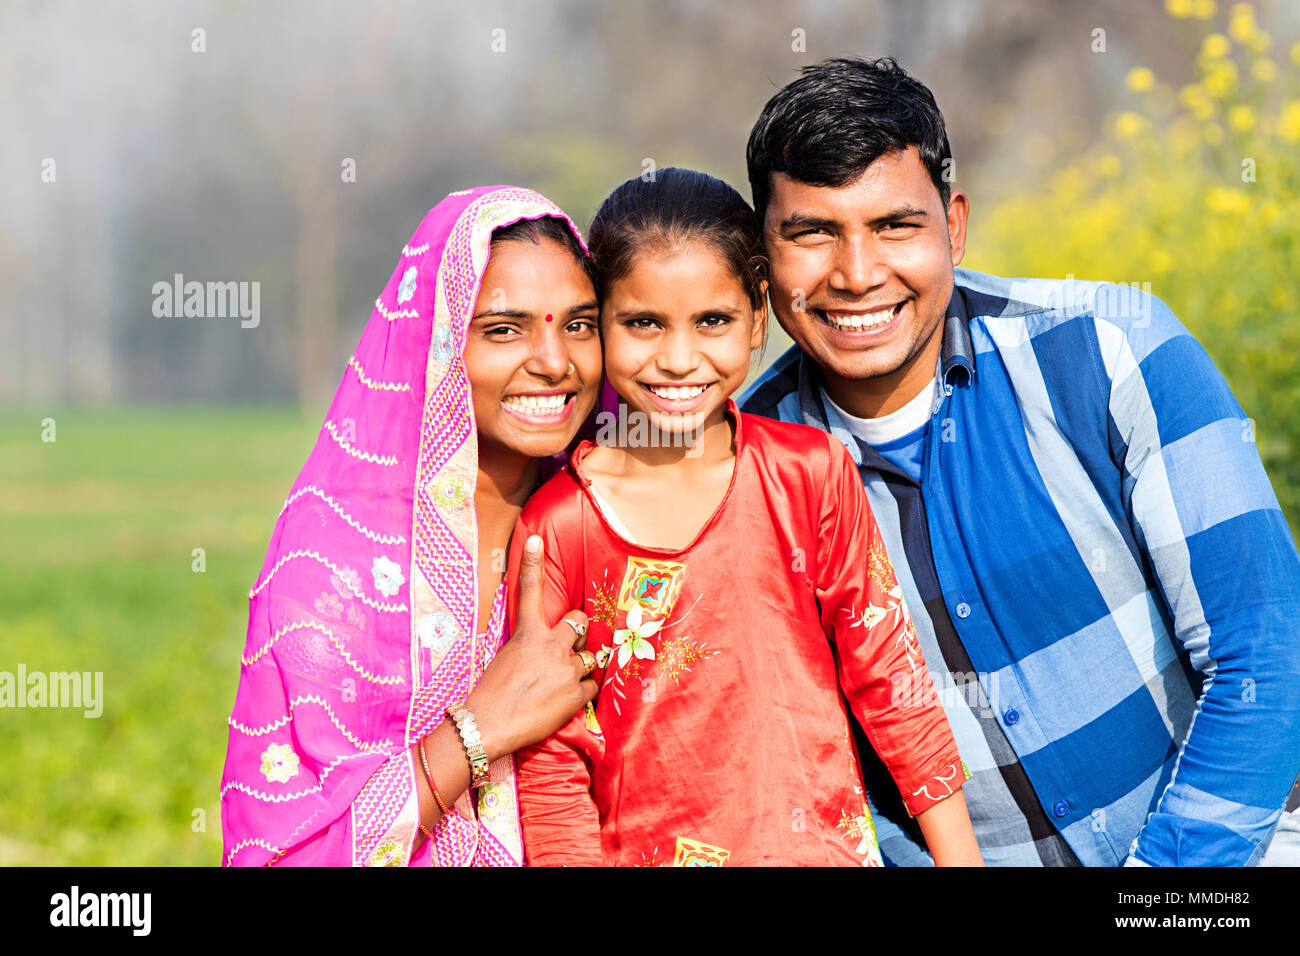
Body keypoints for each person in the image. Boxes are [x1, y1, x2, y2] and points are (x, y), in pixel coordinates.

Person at [740, 56, 1300, 866]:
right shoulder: (743, 468)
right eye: (812, 233)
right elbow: (810, 770)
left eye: (895, 226)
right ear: (764, 261)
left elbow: (1268, 653)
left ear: (954, 226)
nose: (857, 276)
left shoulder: (1109, 350)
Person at [506, 168, 983, 867]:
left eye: (713, 322)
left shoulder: (806, 475)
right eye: (643, 323)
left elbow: (894, 687)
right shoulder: (559, 527)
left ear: (758, 319)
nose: (677, 358)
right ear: (597, 325)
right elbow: (553, 774)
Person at [220, 186, 605, 866]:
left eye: (579, 324)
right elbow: (284, 855)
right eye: (504, 330)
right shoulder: (331, 557)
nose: (554, 362)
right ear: (436, 342)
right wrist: (482, 729)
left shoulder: (608, 518)